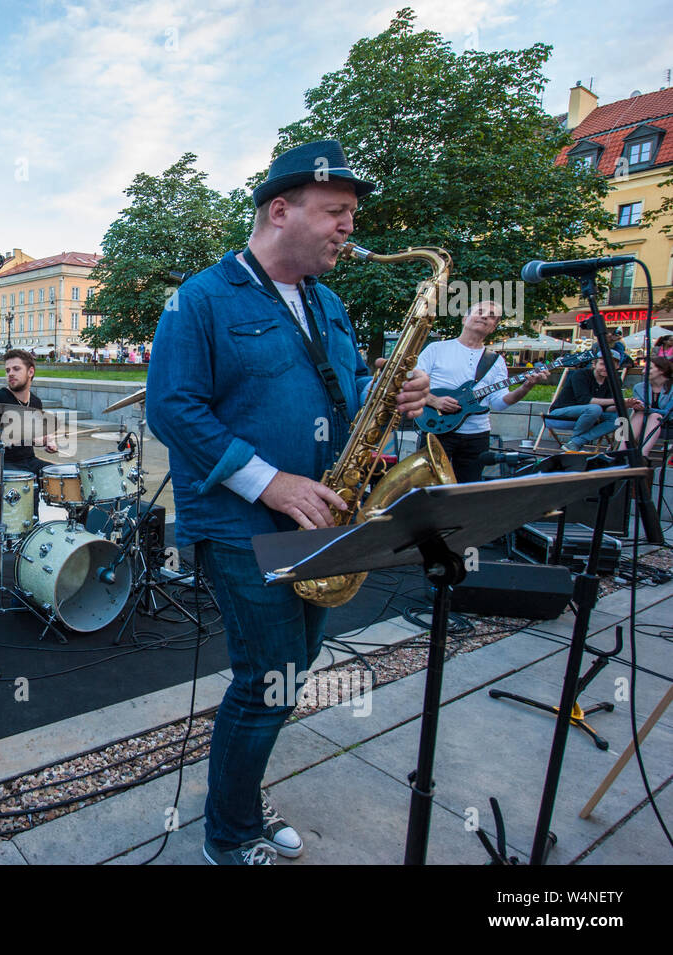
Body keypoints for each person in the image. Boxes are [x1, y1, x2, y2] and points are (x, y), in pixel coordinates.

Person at [147, 140, 430, 865]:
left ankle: (240, 798)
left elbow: (350, 390)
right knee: (266, 677)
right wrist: (268, 481)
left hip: (324, 516)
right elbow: (172, 408)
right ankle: (229, 833)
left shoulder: (330, 302)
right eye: (337, 212)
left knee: (292, 669)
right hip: (244, 523)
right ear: (281, 210)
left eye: (350, 216)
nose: (349, 229)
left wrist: (389, 399)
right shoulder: (201, 297)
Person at [416, 300, 548, 483]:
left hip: (477, 435)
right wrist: (434, 401)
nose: (485, 316)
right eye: (480, 311)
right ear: (464, 319)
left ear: (493, 328)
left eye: (492, 316)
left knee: (469, 488)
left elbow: (499, 403)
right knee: (427, 485)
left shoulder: (496, 361)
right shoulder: (436, 349)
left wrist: (526, 387)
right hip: (437, 428)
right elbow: (411, 382)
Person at [0, 348, 57, 477]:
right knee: (23, 478)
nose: (10, 373)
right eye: (7, 370)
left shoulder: (35, 402)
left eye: (16, 369)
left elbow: (36, 437)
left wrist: (48, 440)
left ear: (30, 372)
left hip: (29, 461)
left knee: (59, 475)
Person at [548, 353, 622, 452]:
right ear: (594, 364)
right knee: (594, 408)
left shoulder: (615, 380)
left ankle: (576, 442)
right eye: (603, 364)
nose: (606, 368)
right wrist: (617, 400)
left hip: (591, 415)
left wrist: (622, 404)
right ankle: (575, 443)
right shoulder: (580, 374)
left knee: (620, 418)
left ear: (617, 366)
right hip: (560, 412)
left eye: (611, 365)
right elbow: (584, 400)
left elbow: (607, 408)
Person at [620, 355, 673, 459]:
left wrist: (648, 409)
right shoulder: (639, 387)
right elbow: (641, 408)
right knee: (639, 414)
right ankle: (621, 452)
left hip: (669, 423)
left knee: (654, 416)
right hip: (644, 421)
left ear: (662, 370)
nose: (644, 371)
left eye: (649, 368)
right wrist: (636, 405)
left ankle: (642, 455)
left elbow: (669, 413)